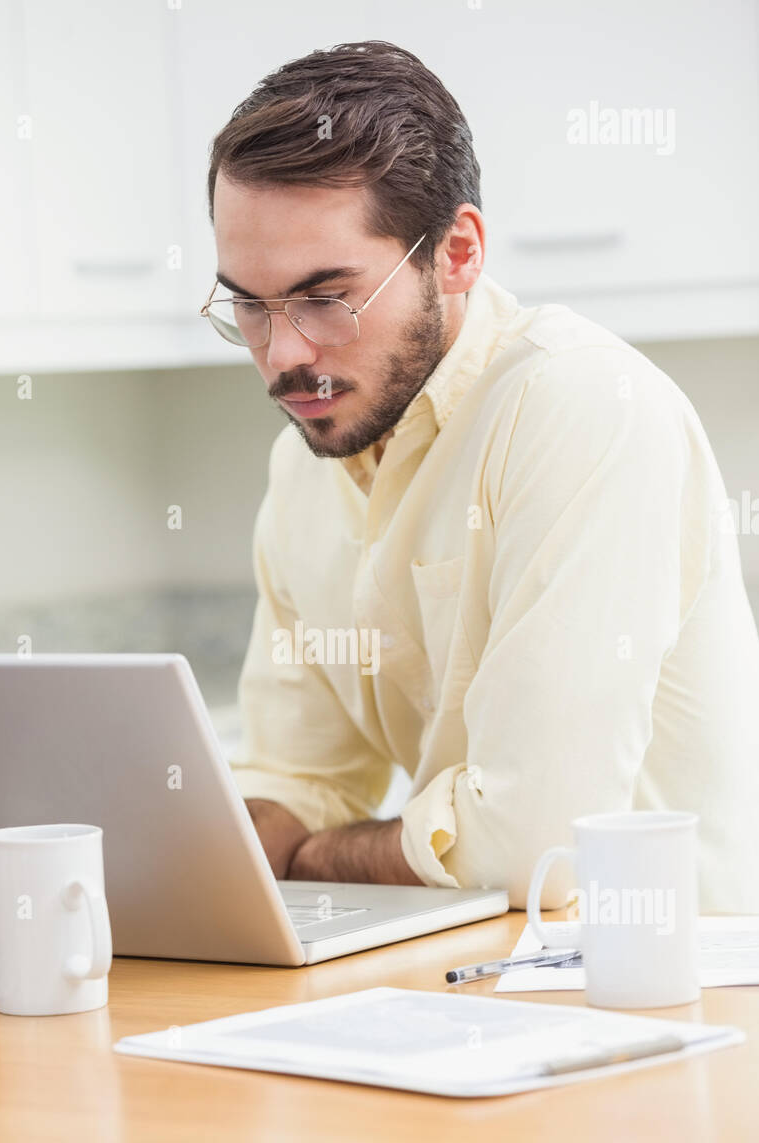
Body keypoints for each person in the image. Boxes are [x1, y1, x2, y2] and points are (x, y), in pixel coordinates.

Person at [199, 40, 759, 910]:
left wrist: (313, 858)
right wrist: (180, 853)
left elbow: (538, 847)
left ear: (456, 253)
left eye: (323, 298)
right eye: (249, 303)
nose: (285, 356)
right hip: (481, 979)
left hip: (673, 992)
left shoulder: (580, 407)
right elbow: (299, 773)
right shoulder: (307, 461)